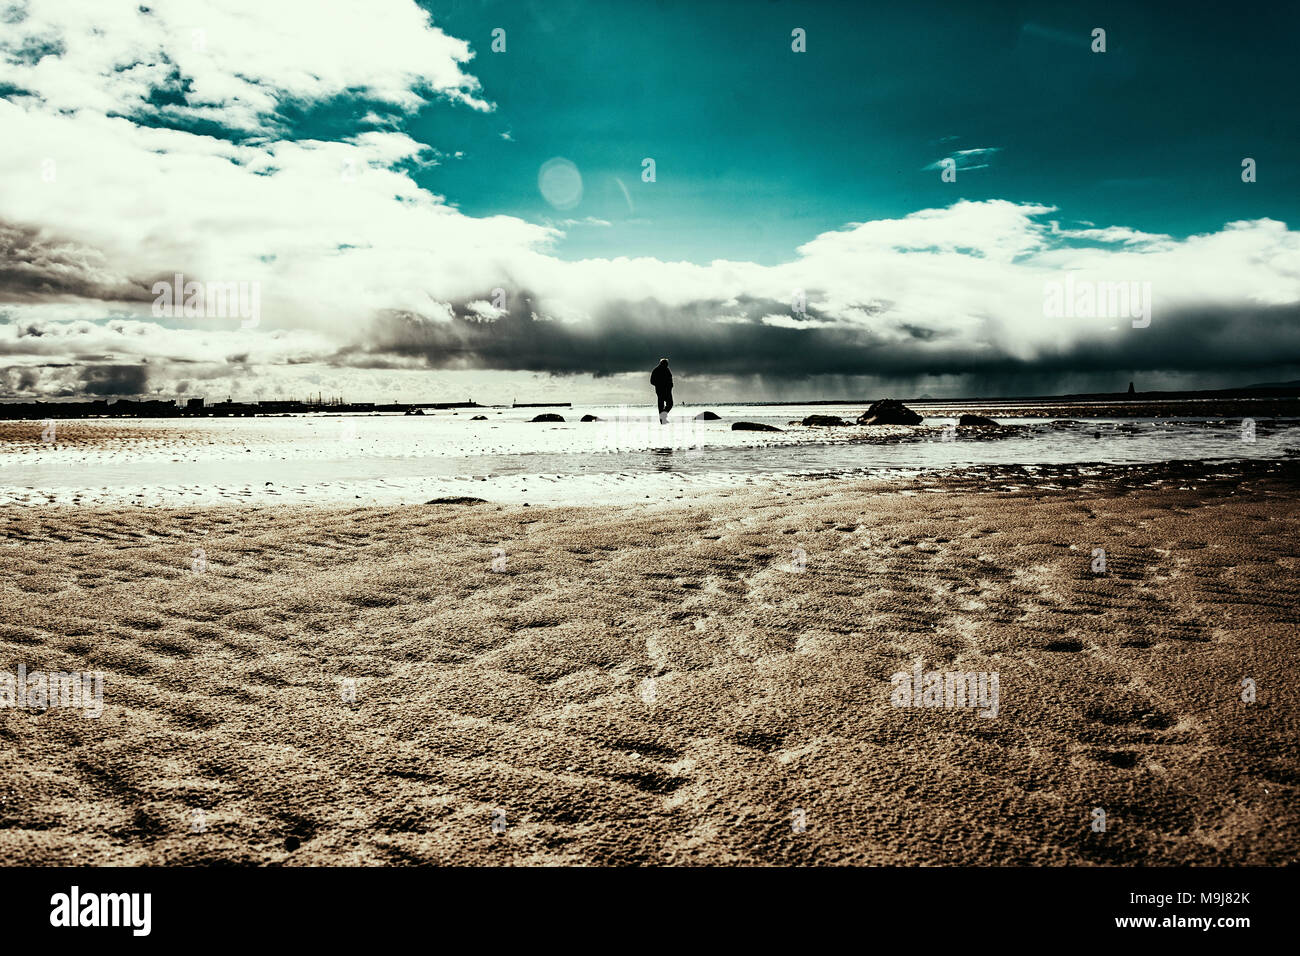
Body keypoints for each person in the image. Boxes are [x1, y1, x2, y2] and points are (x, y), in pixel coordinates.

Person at [650, 357, 673, 422]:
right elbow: (652, 381)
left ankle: (663, 417)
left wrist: (671, 385)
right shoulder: (656, 370)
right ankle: (662, 419)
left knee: (670, 404)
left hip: (668, 390)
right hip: (660, 391)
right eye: (666, 364)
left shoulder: (667, 370)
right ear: (662, 364)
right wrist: (659, 384)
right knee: (661, 405)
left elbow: (670, 378)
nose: (667, 366)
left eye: (667, 365)